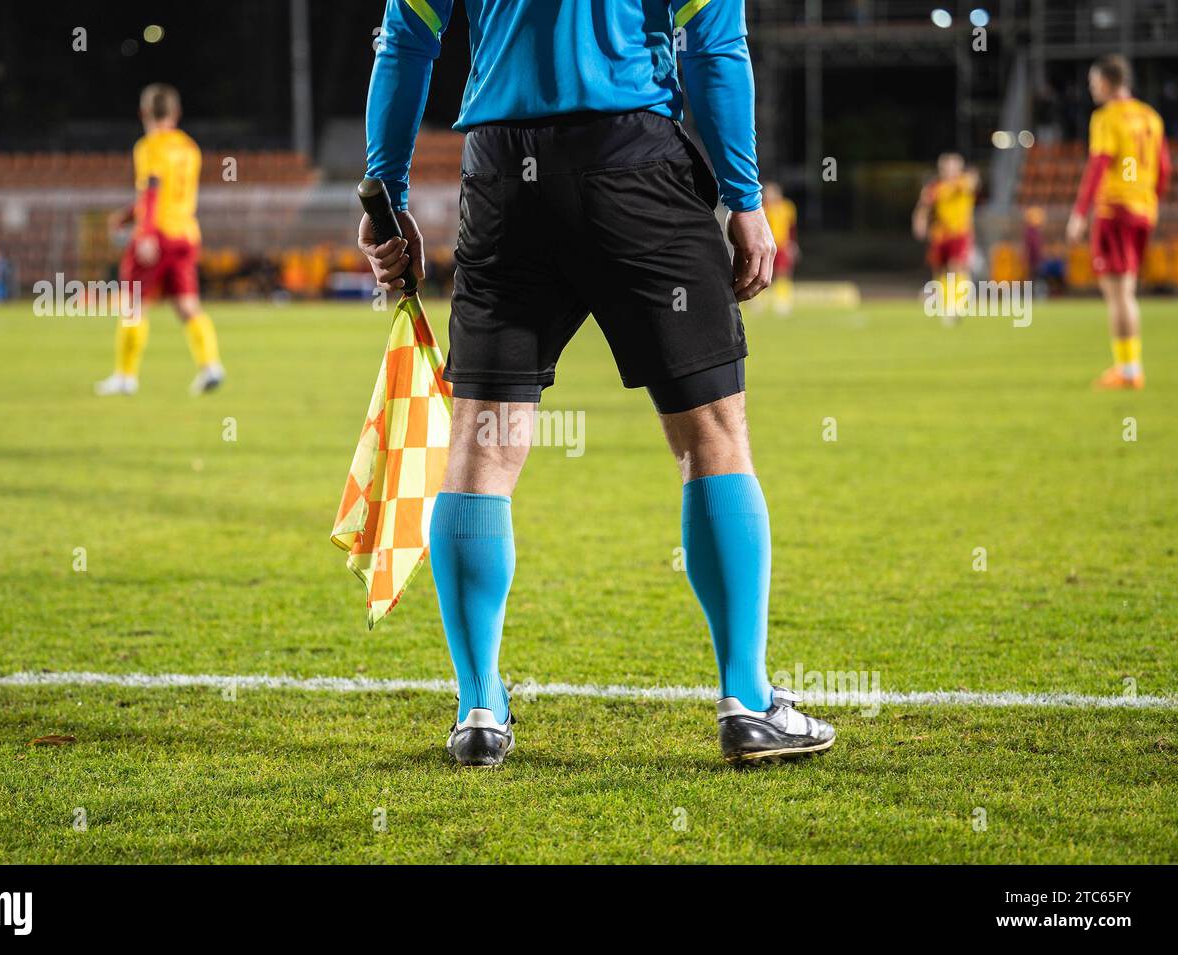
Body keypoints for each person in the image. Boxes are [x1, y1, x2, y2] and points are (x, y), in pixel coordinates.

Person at [358, 0, 834, 767]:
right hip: (633, 160)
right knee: (711, 434)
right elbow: (714, 41)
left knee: (482, 446)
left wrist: (386, 196)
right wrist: (745, 201)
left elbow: (407, 36)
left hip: (503, 173)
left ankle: (479, 707)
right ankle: (747, 701)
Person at [95, 83, 224, 397]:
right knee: (187, 304)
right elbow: (168, 193)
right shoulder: (190, 147)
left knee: (134, 305)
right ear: (176, 113)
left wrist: (146, 233)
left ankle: (125, 377)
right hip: (186, 234)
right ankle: (210, 366)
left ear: (143, 113)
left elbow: (152, 190)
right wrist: (128, 215)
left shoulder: (149, 146)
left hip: (158, 233)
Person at [1066, 55, 1170, 390]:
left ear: (1109, 82)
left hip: (1115, 209)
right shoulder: (1150, 116)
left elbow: (1099, 164)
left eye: (1094, 81)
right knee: (1126, 290)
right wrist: (1149, 200)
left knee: (1118, 292)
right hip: (1142, 209)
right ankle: (1129, 366)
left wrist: (1080, 213)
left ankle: (1128, 370)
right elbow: (1164, 168)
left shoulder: (1107, 117)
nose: (1091, 87)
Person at [912, 153, 978, 324]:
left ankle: (960, 301)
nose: (950, 170)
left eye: (954, 167)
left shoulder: (963, 182)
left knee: (956, 266)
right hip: (941, 234)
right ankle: (946, 304)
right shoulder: (935, 187)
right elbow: (924, 206)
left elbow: (973, 182)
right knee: (940, 269)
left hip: (960, 232)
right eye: (947, 167)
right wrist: (919, 221)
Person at [763, 182, 798, 314]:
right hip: (768, 245)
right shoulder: (762, 208)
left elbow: (792, 228)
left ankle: (782, 300)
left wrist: (792, 244)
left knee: (783, 272)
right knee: (765, 272)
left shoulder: (787, 207)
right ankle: (760, 300)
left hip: (783, 245)